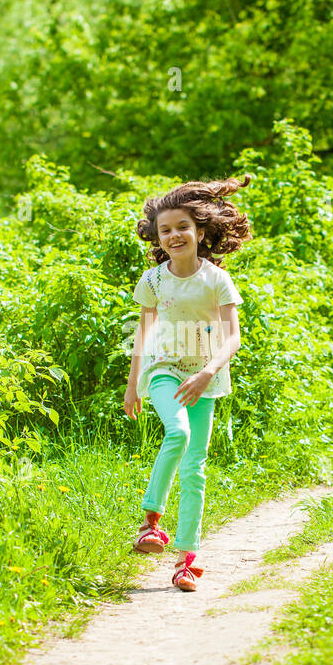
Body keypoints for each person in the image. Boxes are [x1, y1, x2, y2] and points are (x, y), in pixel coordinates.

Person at [123, 174, 252, 591]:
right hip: (164, 368)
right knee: (175, 432)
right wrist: (132, 386)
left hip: (206, 377)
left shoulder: (216, 279)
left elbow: (232, 336)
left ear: (200, 231)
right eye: (165, 230)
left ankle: (186, 560)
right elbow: (142, 334)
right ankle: (150, 523)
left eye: (182, 227)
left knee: (195, 469)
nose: (174, 235)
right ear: (156, 238)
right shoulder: (155, 281)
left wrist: (208, 372)